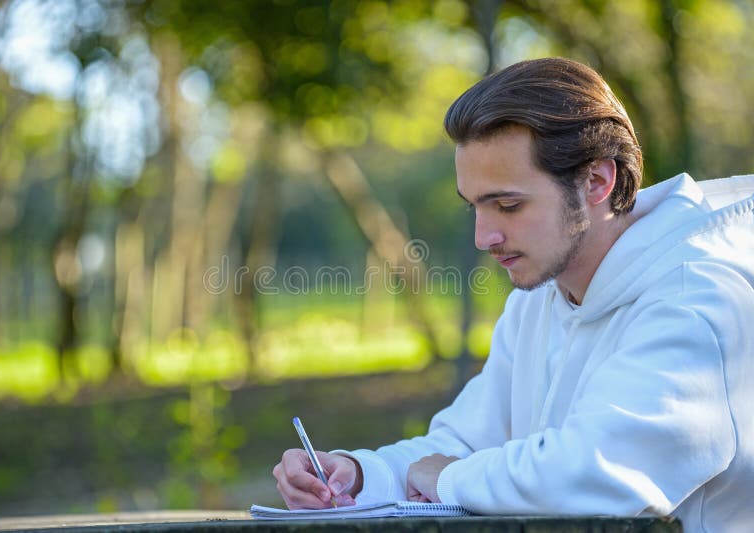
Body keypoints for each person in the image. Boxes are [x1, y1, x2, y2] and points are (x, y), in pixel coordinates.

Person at [272, 58, 754, 532]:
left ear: (596, 181)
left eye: (508, 205)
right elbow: (467, 443)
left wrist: (451, 479)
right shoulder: (539, 295)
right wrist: (356, 474)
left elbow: (598, 476)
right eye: (476, 207)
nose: (485, 237)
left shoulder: (696, 299)